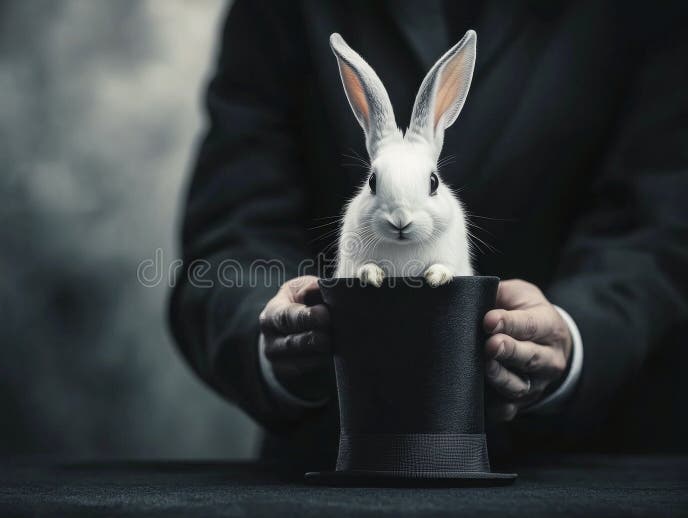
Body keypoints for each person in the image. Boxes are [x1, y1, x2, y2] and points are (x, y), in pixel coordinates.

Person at [170, 0, 688, 467]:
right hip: (338, 460)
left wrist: (569, 343)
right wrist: (286, 337)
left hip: (588, 461)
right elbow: (229, 232)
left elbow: (658, 221)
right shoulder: (277, 12)